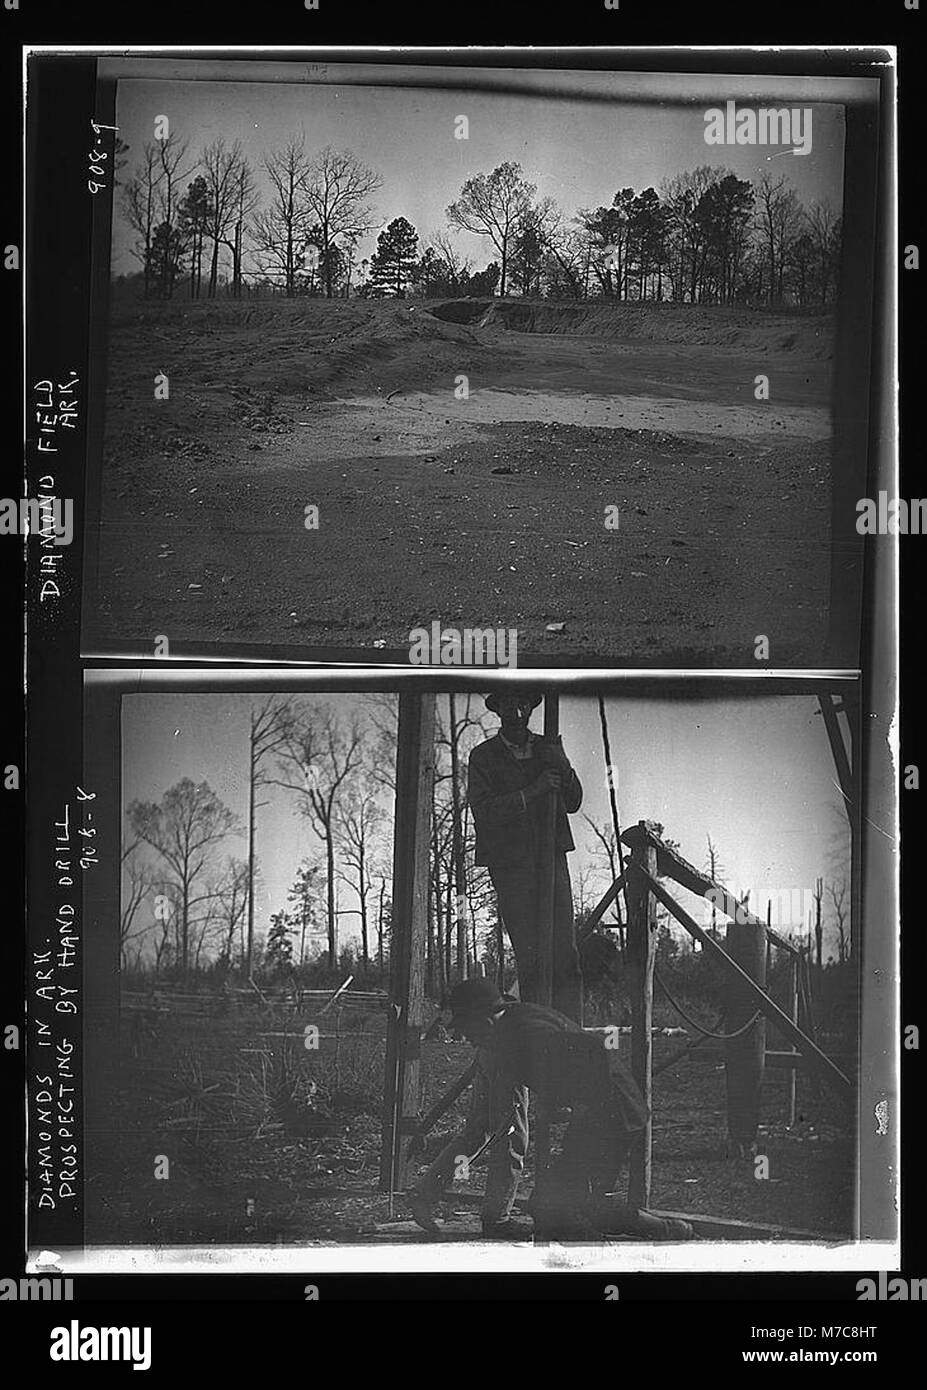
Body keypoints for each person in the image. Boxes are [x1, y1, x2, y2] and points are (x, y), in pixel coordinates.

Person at [410, 978, 694, 1243]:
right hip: (604, 1114)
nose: (466, 1039)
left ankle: (633, 1243)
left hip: (614, 1116)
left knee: (562, 1210)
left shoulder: (529, 1033)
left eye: (467, 1030)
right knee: (560, 1207)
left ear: (485, 1020)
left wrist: (583, 1106)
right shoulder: (510, 1026)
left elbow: (594, 1051)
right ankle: (664, 1230)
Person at [468, 691, 584, 1023]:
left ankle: (571, 1032)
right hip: (511, 864)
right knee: (531, 954)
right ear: (498, 709)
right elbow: (485, 810)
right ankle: (539, 1033)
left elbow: (573, 801)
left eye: (523, 704)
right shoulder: (484, 756)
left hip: (551, 856)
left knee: (565, 952)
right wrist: (533, 791)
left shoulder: (548, 749)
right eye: (508, 704)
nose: (516, 711)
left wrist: (560, 760)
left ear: (532, 709)